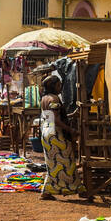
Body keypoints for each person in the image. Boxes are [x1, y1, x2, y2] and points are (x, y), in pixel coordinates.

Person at [39, 73, 83, 201]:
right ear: (53, 86)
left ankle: (47, 191)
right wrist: (71, 130)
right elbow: (56, 120)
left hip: (46, 132)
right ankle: (73, 188)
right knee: (66, 161)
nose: (60, 87)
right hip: (56, 135)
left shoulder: (44, 99)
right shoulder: (54, 99)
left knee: (53, 164)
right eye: (58, 85)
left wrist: (71, 114)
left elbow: (51, 117)